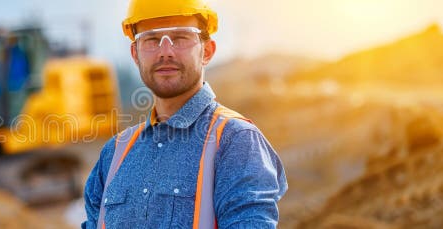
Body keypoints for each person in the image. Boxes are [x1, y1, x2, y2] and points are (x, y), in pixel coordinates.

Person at [82, 0, 288, 228]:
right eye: (151, 39)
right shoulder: (113, 154)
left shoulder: (235, 141)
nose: (165, 51)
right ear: (135, 53)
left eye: (180, 38)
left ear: (207, 51)